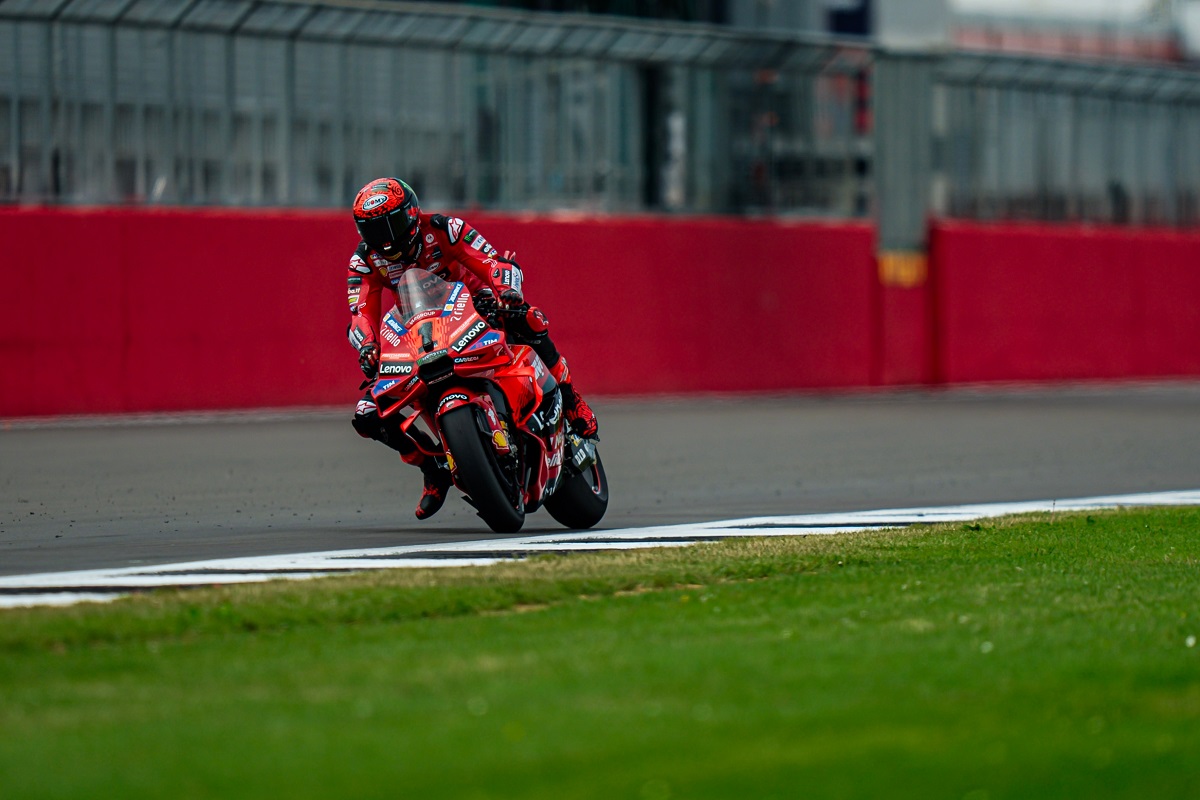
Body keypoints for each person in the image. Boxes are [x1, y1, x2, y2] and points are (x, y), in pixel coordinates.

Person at [346, 177, 599, 520]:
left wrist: (505, 292)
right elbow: (361, 314)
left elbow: (490, 259)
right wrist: (369, 346)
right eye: (375, 230)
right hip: (420, 332)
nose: (386, 238)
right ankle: (432, 466)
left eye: (393, 224)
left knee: (530, 320)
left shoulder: (443, 228)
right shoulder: (365, 261)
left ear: (412, 213)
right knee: (368, 413)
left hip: (475, 307)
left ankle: (572, 401)